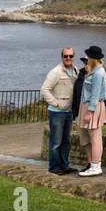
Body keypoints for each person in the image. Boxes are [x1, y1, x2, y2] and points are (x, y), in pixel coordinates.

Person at [41, 47, 78, 175]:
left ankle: (64, 165)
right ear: (61, 57)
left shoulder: (75, 70)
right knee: (56, 141)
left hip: (69, 112)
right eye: (65, 56)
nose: (68, 58)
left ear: (74, 56)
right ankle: (54, 167)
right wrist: (56, 103)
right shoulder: (55, 72)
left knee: (66, 141)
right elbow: (44, 90)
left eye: (70, 56)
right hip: (56, 112)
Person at [77, 46, 106, 177]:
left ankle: (96, 166)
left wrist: (89, 112)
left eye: (88, 57)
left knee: (95, 138)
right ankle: (94, 165)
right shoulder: (95, 71)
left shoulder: (98, 73)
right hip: (89, 106)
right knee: (92, 137)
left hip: (93, 107)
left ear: (93, 58)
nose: (87, 59)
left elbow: (95, 94)